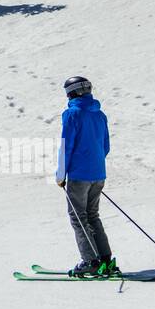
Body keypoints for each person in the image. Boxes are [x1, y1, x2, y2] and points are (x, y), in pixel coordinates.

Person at [55, 76, 119, 277]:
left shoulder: (72, 114)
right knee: (93, 215)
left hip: (78, 176)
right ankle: (105, 260)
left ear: (71, 93)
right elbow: (105, 146)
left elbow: (66, 147)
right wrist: (93, 166)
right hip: (98, 173)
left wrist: (60, 175)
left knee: (79, 217)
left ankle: (90, 261)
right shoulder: (99, 115)